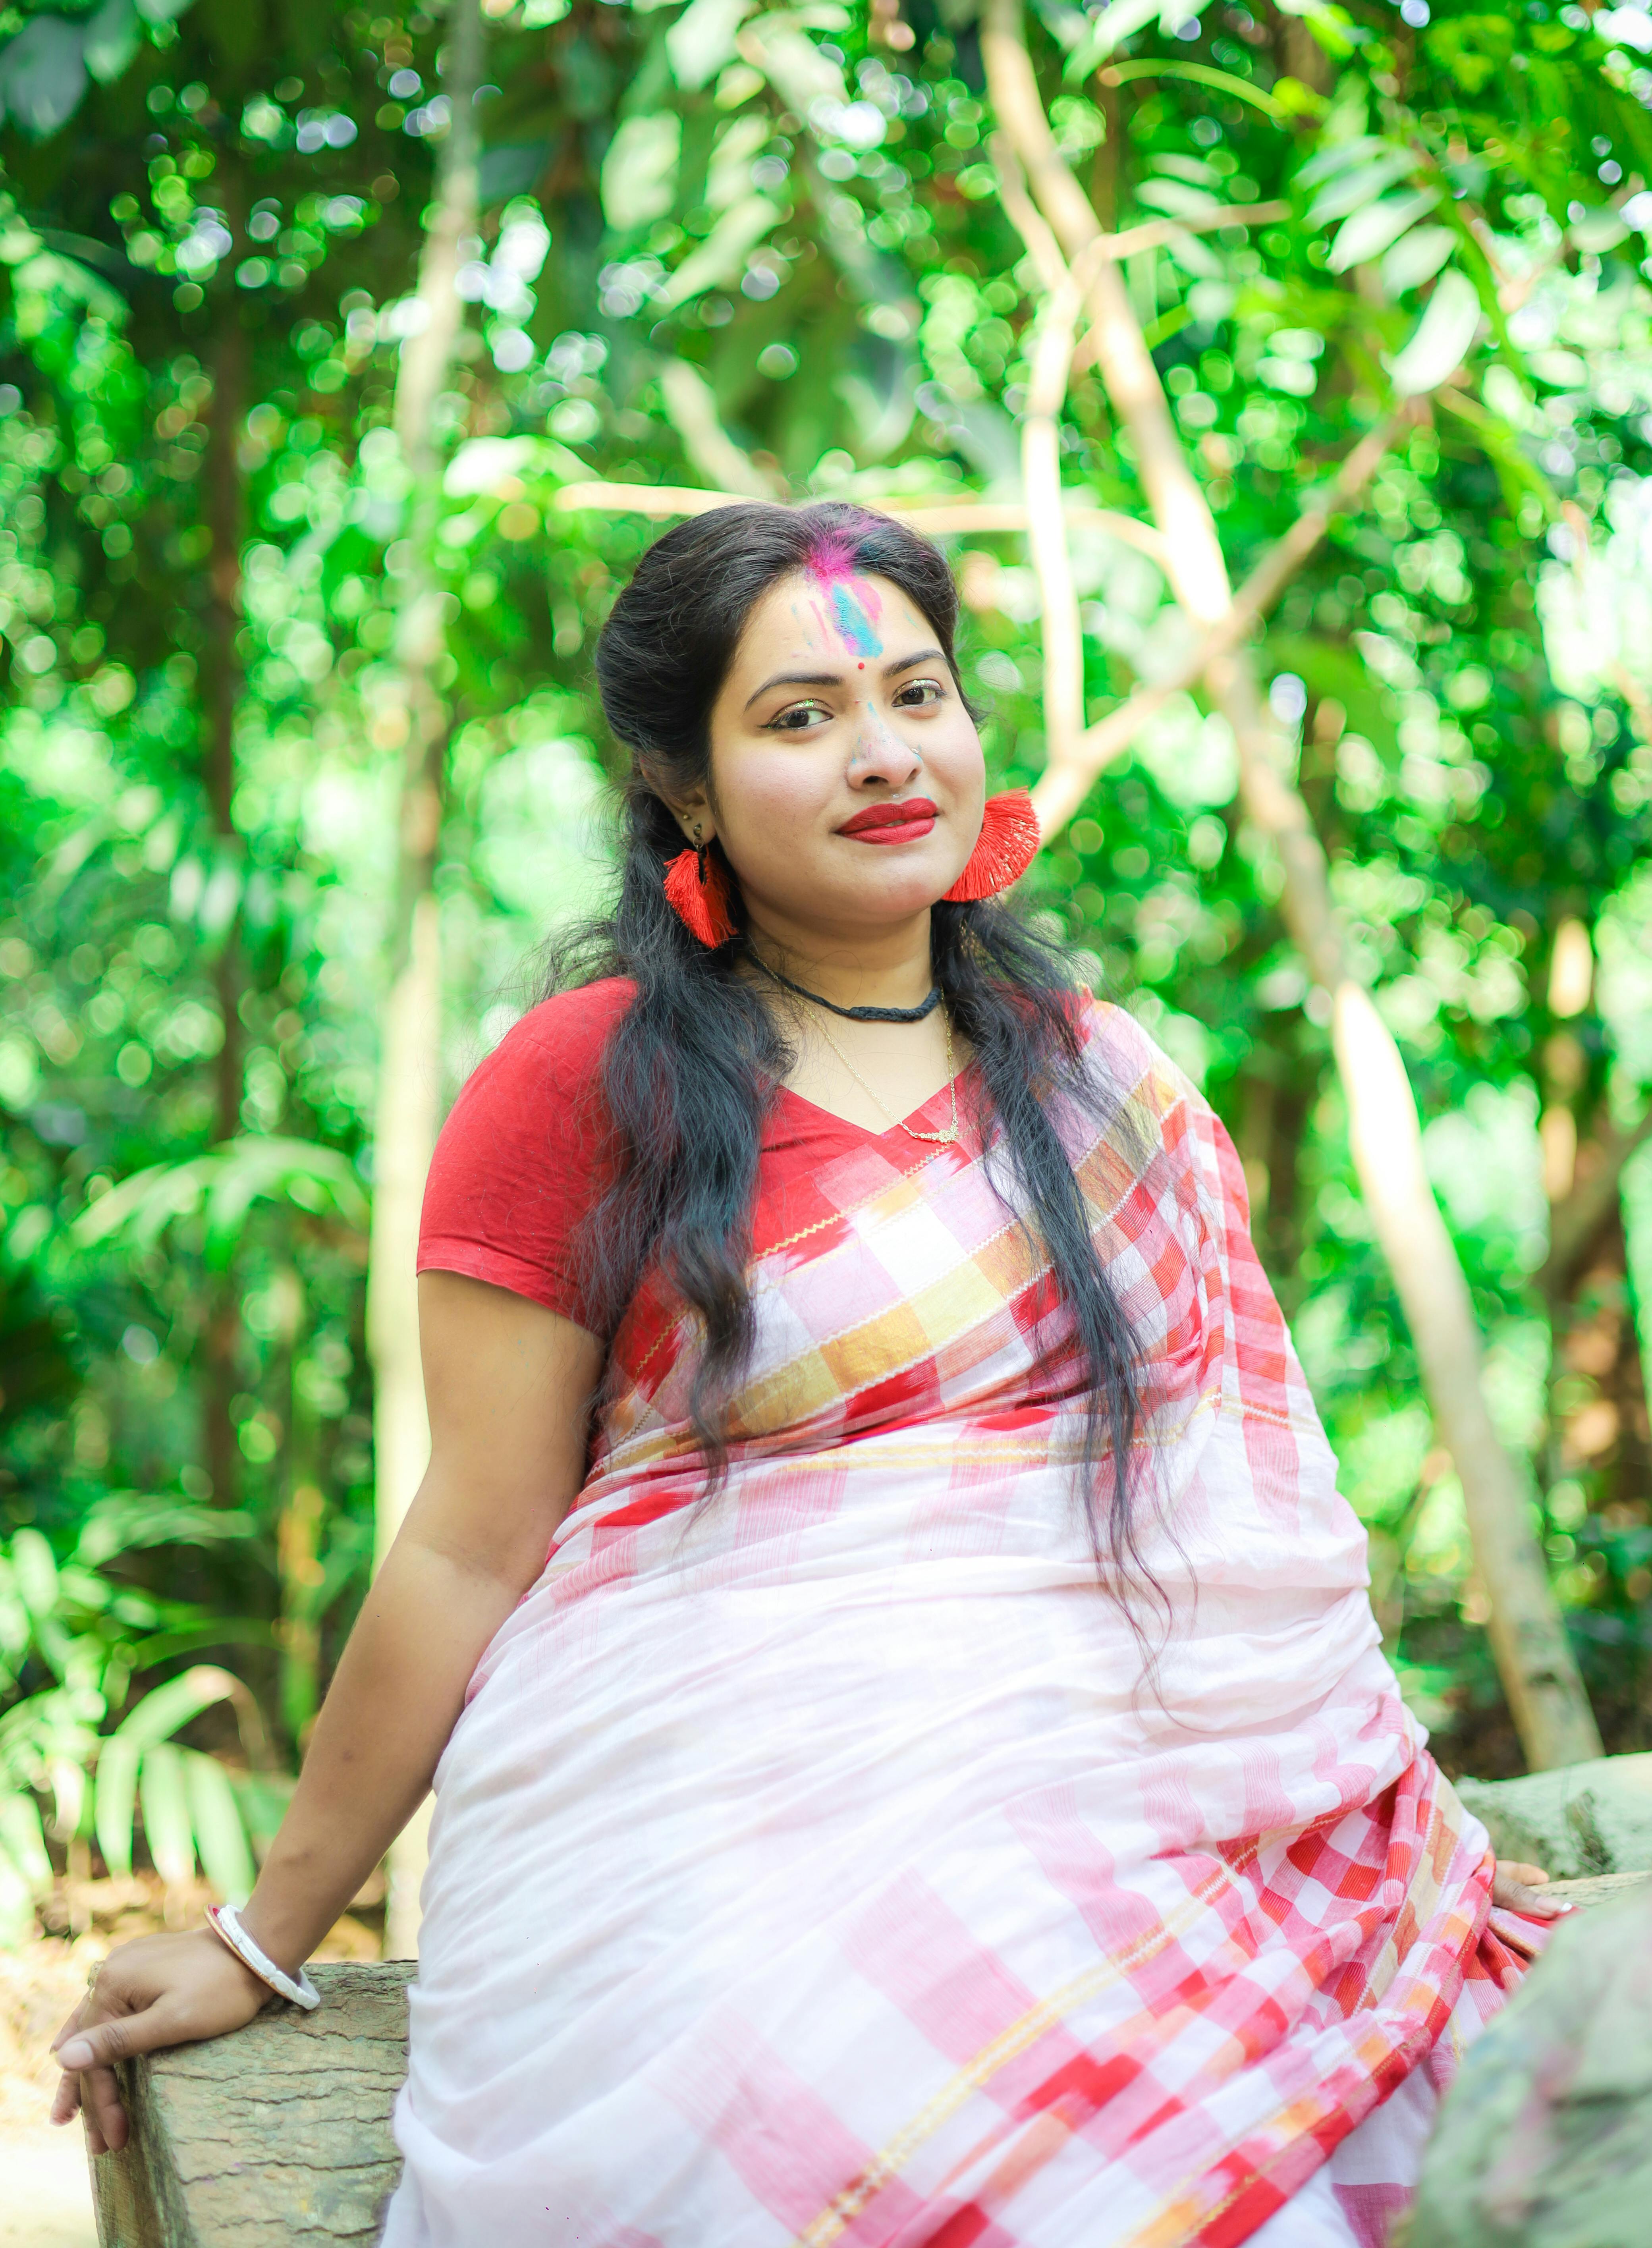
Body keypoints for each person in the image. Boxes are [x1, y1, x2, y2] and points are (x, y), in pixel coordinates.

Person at [53, 503, 1561, 2246]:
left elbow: (1242, 1530)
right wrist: (265, 1932)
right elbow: (467, 1545)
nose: (880, 754)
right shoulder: (577, 1087)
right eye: (796, 719)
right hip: (702, 1801)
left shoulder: (1096, 1080)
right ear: (681, 786)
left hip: (1117, 1783)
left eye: (913, 695)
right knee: (862, 2087)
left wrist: (1393, 1833)